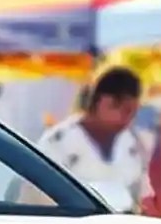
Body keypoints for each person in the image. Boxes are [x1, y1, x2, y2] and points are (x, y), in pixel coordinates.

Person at [36, 67, 154, 212]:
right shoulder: (58, 141)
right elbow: (39, 195)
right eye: (121, 109)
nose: (126, 118)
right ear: (98, 102)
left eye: (132, 112)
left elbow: (140, 195)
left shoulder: (134, 144)